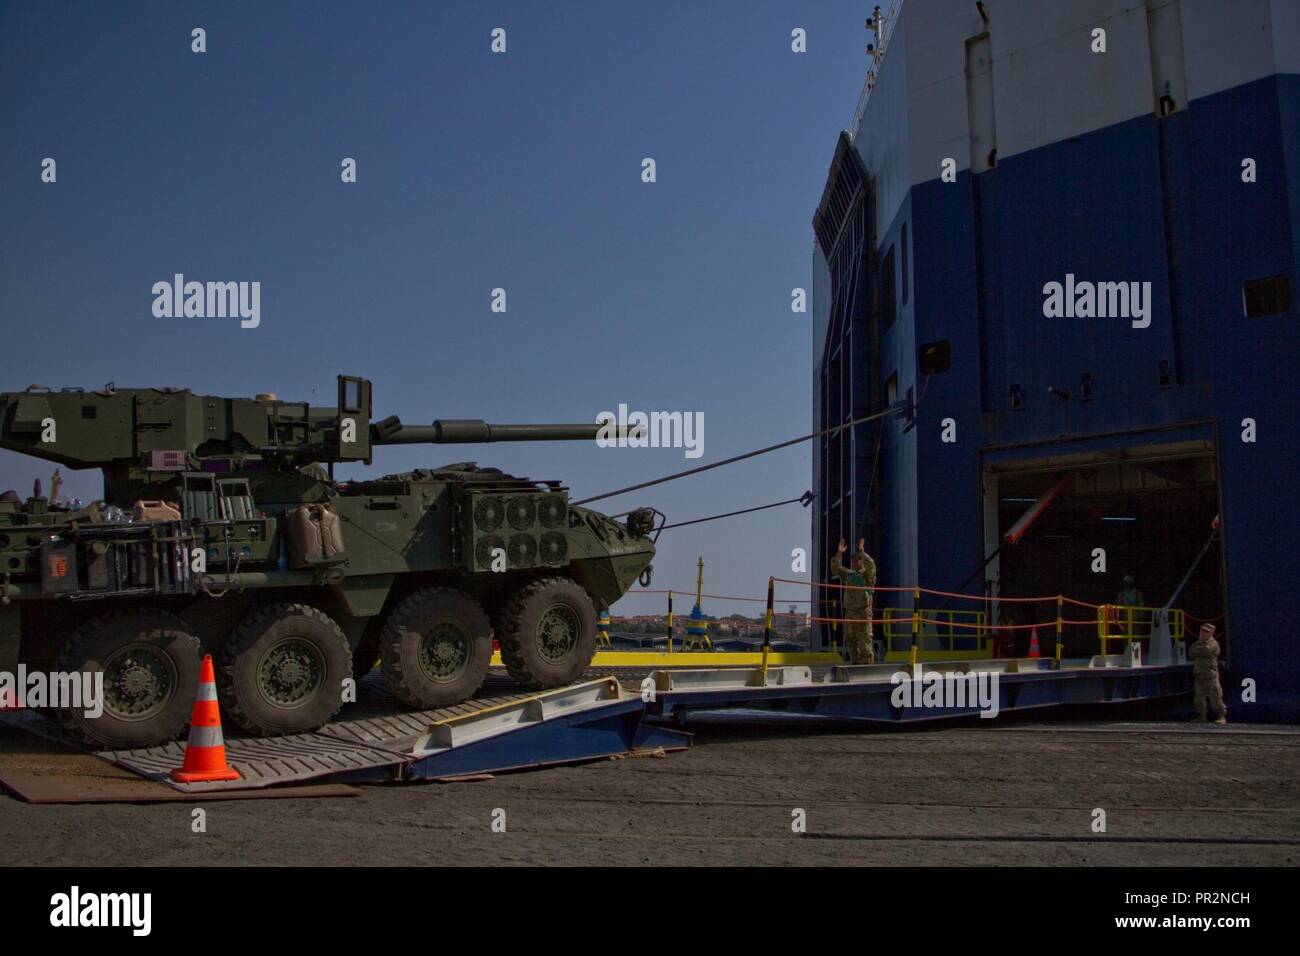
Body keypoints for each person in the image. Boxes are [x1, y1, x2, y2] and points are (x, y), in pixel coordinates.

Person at [831, 537, 877, 664]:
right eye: (853, 561)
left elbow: (871, 565)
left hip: (863, 613)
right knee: (851, 642)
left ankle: (867, 670)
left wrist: (862, 552)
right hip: (850, 613)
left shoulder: (867, 575)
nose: (855, 563)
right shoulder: (850, 575)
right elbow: (836, 568)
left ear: (862, 561)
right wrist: (839, 553)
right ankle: (855, 666)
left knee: (865, 644)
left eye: (857, 560)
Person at [1189, 622, 1227, 724]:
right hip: (1199, 674)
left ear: (1211, 633)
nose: (1203, 633)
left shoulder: (1213, 643)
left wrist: (1199, 649)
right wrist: (1199, 648)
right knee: (1199, 699)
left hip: (1210, 675)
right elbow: (1191, 652)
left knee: (1215, 697)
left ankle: (1221, 717)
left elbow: (1207, 650)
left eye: (1206, 631)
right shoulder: (1197, 643)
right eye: (1202, 630)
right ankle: (1201, 716)